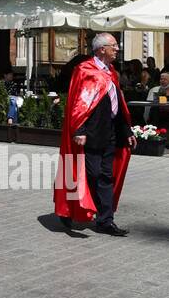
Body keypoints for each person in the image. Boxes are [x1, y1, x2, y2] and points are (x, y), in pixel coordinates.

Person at [54, 33, 135, 237]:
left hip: (110, 133)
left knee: (106, 176)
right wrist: (79, 130)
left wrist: (126, 131)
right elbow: (78, 104)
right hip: (90, 134)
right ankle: (71, 208)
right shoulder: (85, 70)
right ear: (101, 49)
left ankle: (106, 221)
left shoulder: (111, 72)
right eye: (113, 46)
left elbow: (119, 105)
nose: (117, 49)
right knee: (92, 174)